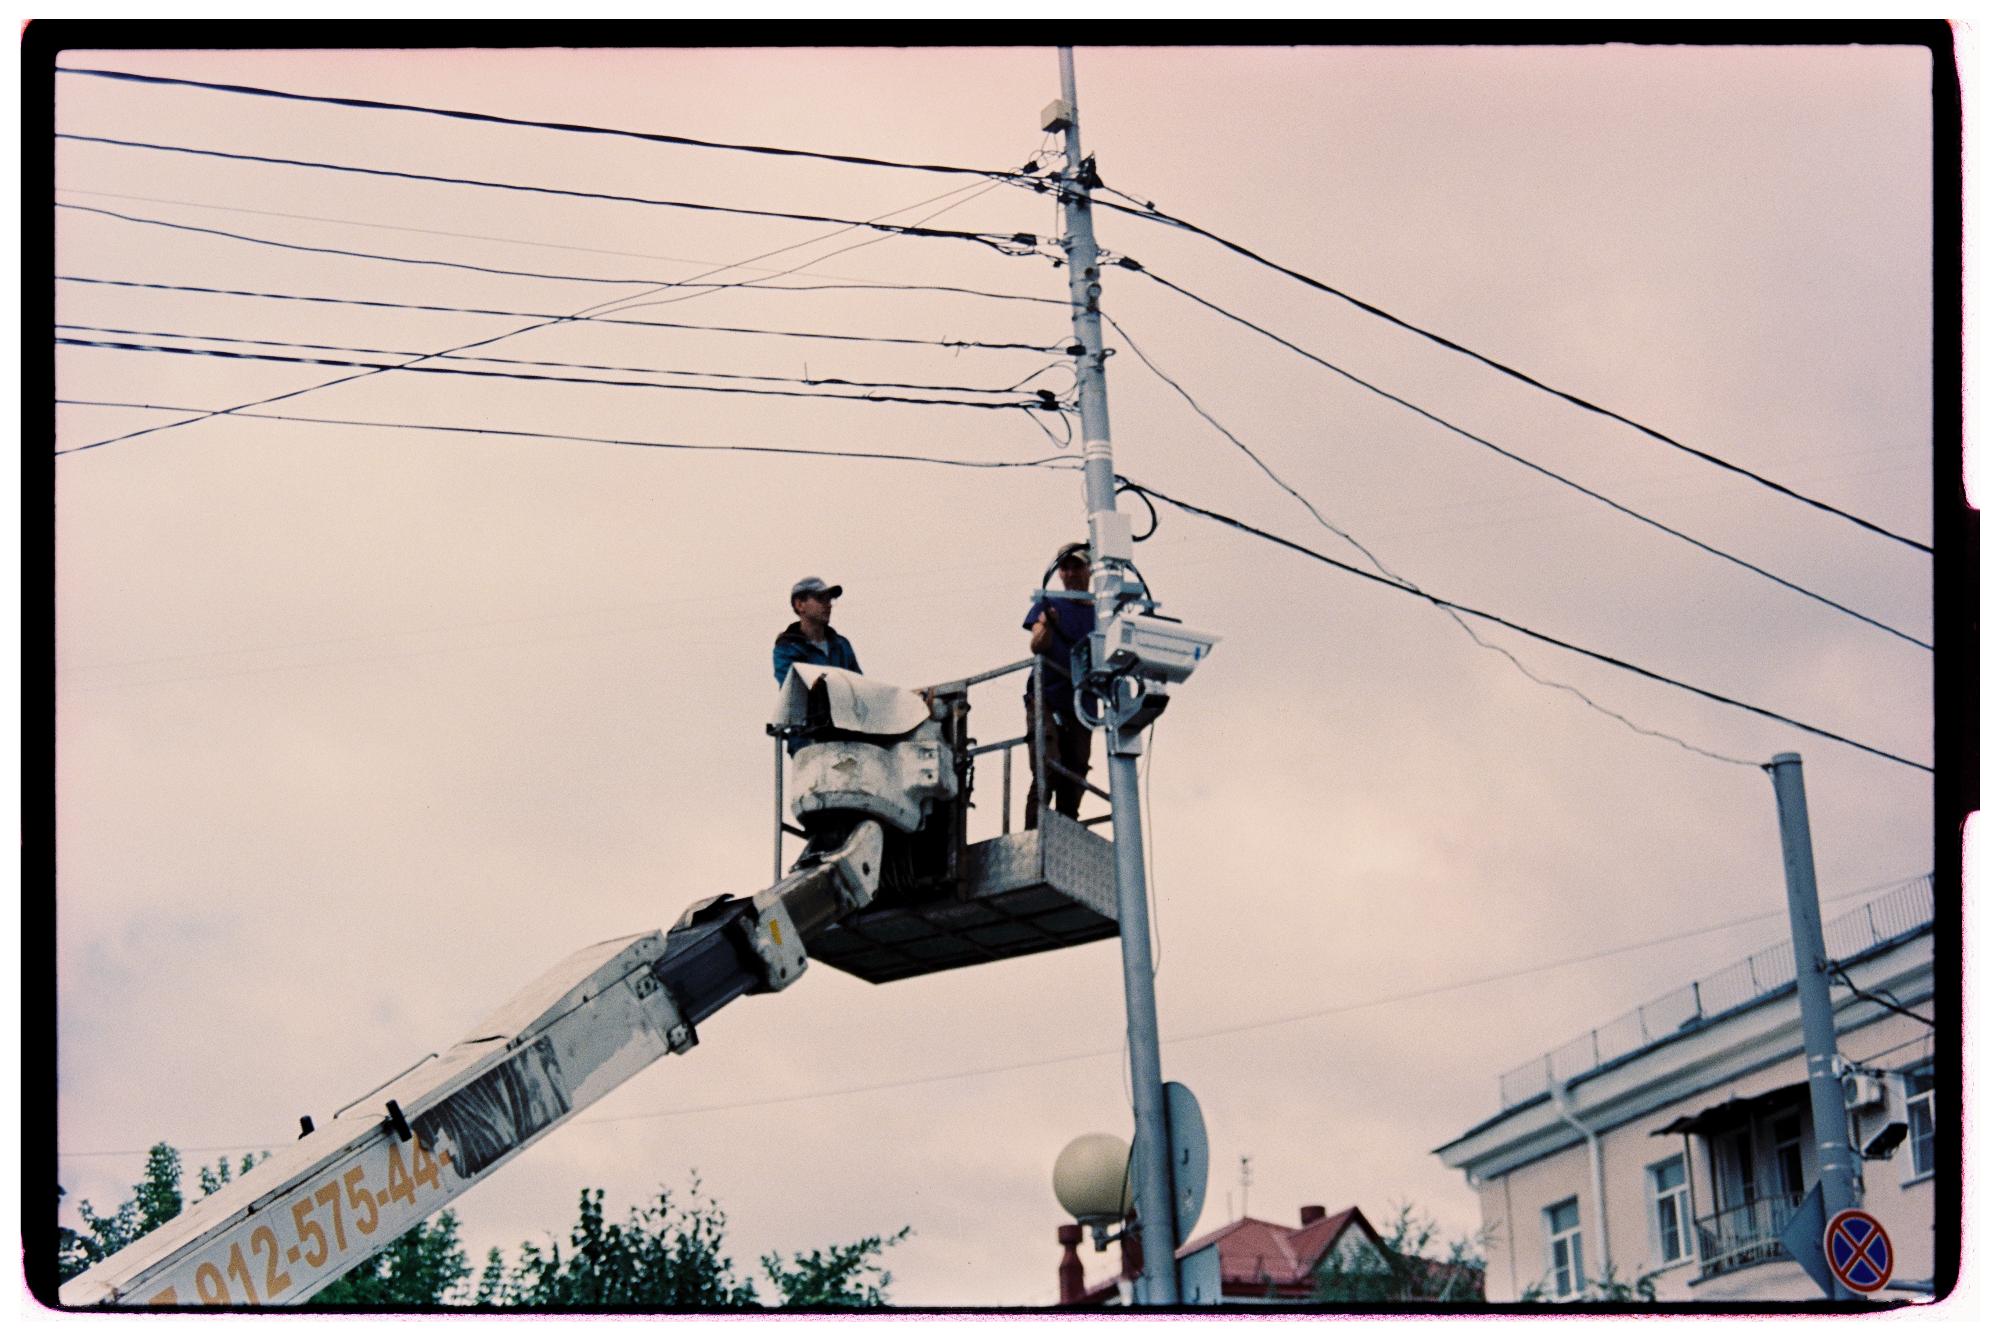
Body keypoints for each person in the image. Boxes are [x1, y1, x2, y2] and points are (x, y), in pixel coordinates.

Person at [1022, 542, 1095, 829]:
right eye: (1065, 567)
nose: (1071, 572)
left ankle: (1067, 834)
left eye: (1077, 566)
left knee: (1074, 778)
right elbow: (1036, 646)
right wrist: (1048, 625)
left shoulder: (1101, 613)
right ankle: (1034, 837)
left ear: (1089, 569)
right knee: (1046, 769)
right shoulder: (1048, 603)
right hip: (1046, 699)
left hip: (1082, 706)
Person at [773, 576, 862, 686]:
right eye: (820, 599)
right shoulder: (787, 649)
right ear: (799, 605)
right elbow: (794, 689)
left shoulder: (842, 645)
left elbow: (858, 685)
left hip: (842, 704)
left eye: (829, 600)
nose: (828, 605)